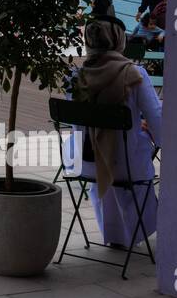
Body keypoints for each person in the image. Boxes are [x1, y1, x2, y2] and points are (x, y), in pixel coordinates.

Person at [65, 18, 162, 249]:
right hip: (126, 163)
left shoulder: (75, 77)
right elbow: (158, 123)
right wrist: (145, 130)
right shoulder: (134, 74)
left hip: (85, 162)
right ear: (119, 40)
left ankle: (115, 234)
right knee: (137, 151)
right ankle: (130, 233)